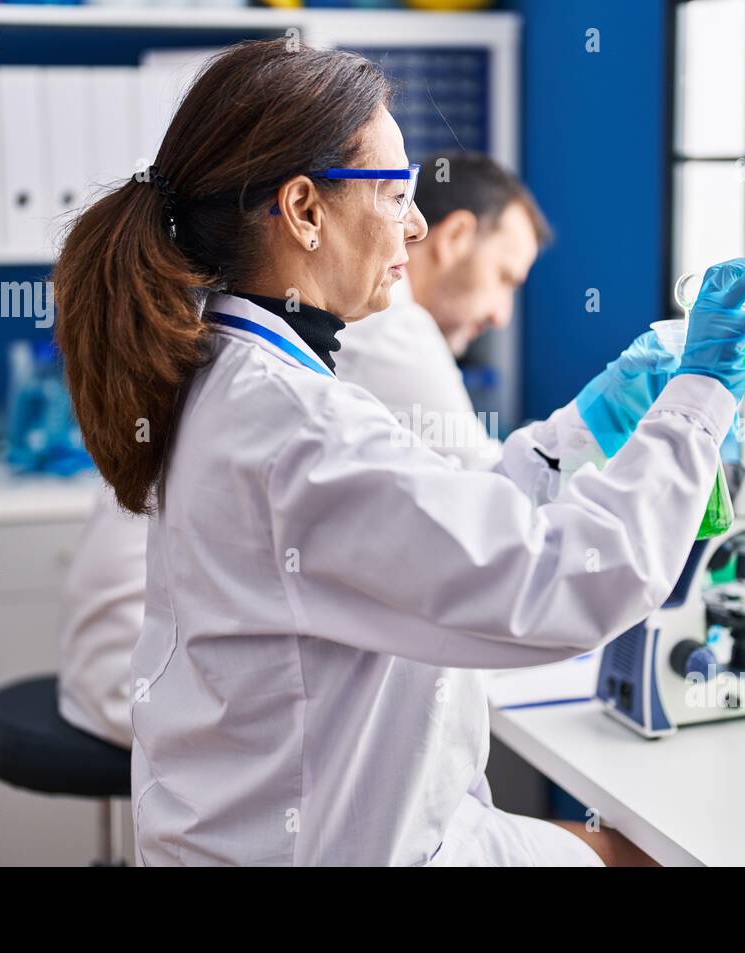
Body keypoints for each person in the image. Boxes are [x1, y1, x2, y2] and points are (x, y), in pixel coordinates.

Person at [53, 38, 745, 866]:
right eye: (397, 193)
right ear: (304, 211)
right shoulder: (295, 427)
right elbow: (562, 584)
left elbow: (447, 515)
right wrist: (700, 398)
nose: (413, 223)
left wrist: (586, 423)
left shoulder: (235, 373)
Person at [55, 156, 548, 744]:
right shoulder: (385, 324)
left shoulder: (242, 313)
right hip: (161, 688)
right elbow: (496, 508)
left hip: (135, 661)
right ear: (304, 210)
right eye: (505, 278)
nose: (502, 313)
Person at [336, 152, 549, 469]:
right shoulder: (394, 327)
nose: (501, 316)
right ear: (455, 236)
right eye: (503, 278)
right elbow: (499, 488)